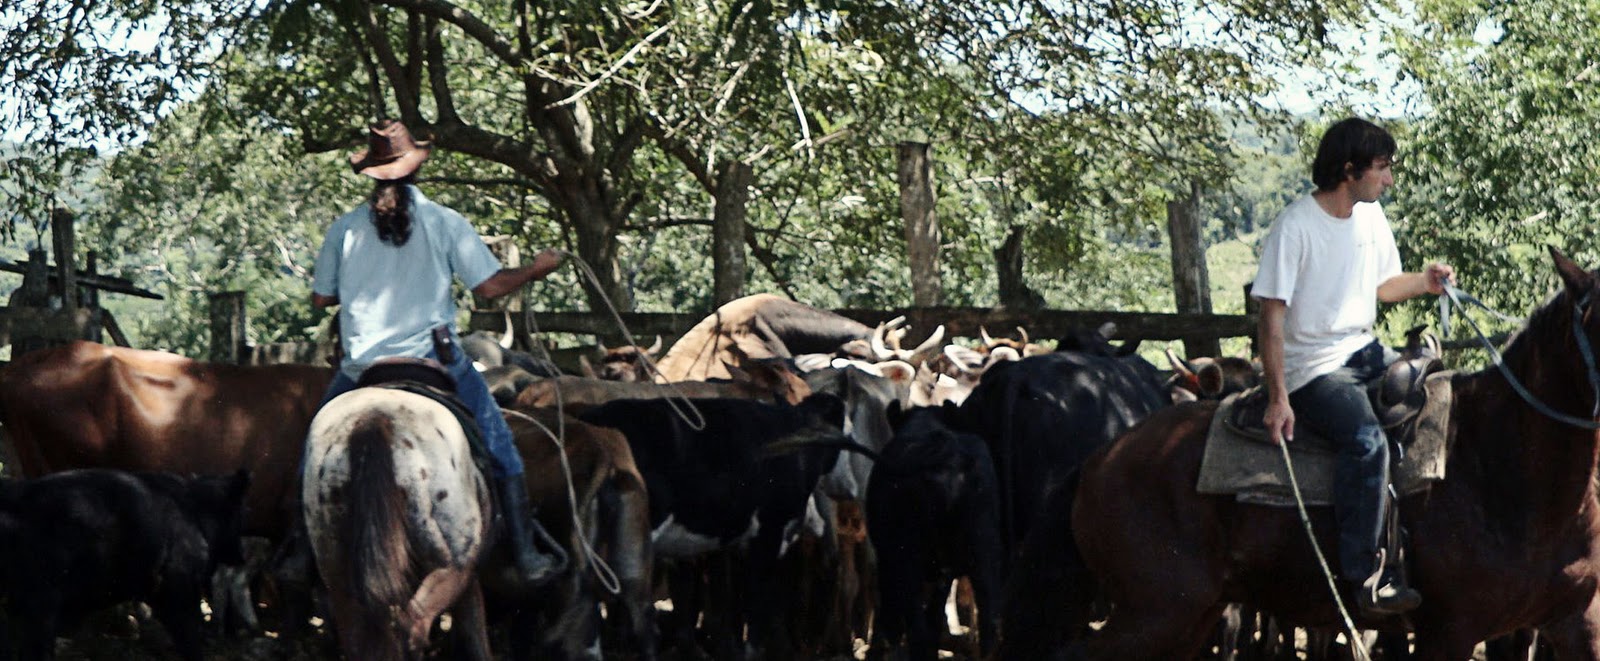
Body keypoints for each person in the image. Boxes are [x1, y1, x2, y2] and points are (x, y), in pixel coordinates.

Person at [310, 119, 564, 585]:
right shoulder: (446, 223)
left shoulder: (343, 230)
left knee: (311, 446)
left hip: (362, 368)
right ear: (414, 170)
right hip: (434, 361)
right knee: (501, 447)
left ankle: (299, 552)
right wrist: (536, 269)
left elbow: (321, 299)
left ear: (370, 174)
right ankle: (526, 553)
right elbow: (489, 287)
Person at [1252, 117, 1454, 617]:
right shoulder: (1295, 226)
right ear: (1349, 170)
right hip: (1312, 369)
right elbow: (1271, 320)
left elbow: (1384, 286)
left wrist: (1425, 282)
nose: (1388, 180)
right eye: (1382, 169)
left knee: (1441, 394)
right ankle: (1365, 575)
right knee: (1365, 442)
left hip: (1364, 351)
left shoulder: (1369, 218)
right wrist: (1278, 398)